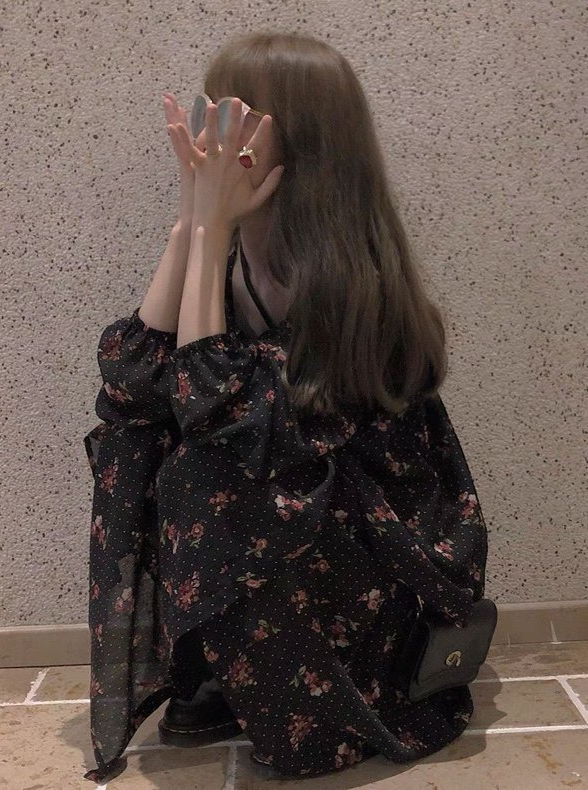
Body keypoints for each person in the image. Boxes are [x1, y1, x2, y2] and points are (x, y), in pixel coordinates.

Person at [82, 30, 489, 783]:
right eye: (210, 115)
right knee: (137, 443)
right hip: (296, 526)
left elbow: (218, 412)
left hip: (376, 555)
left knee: (204, 472)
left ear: (300, 141)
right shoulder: (238, 251)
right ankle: (218, 664)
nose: (211, 138)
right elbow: (131, 388)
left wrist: (210, 230)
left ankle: (302, 698)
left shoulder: (346, 279)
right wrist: (192, 220)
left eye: (236, 119)